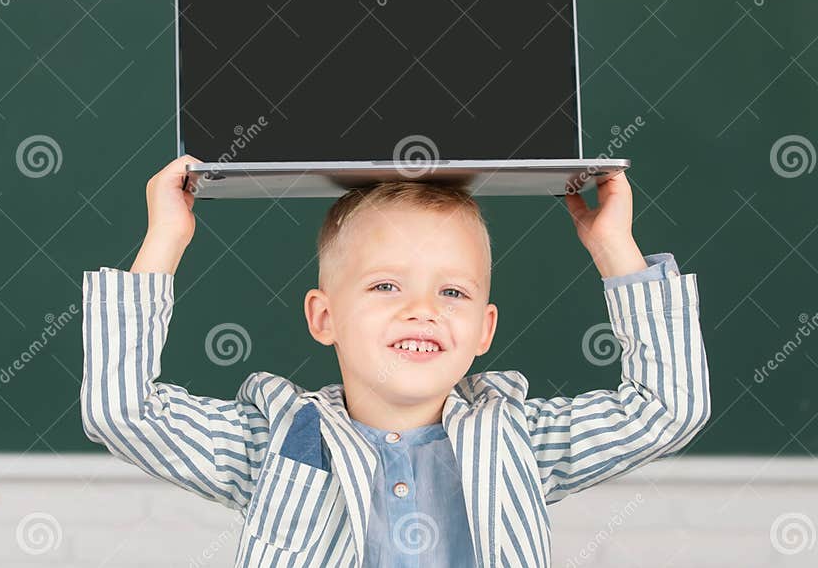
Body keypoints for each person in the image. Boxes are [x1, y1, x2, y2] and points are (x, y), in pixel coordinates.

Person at [80, 154, 710, 567]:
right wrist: (164, 237)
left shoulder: (518, 438)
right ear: (324, 317)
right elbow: (121, 411)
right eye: (386, 286)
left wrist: (615, 248)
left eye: (453, 292)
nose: (422, 310)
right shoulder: (276, 440)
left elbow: (667, 407)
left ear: (484, 329)